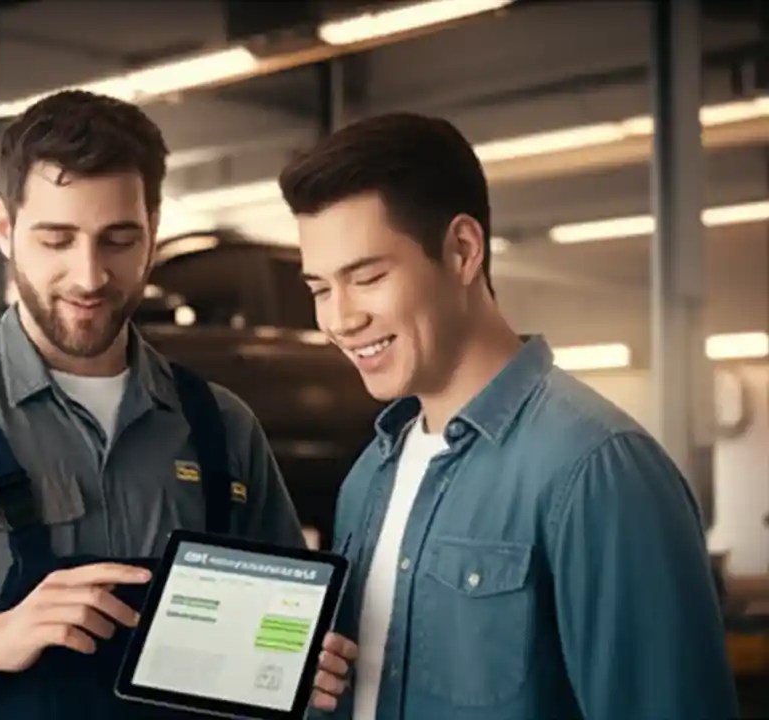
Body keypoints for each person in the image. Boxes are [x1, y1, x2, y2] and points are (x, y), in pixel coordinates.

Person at [0, 90, 356, 719]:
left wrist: (300, 662)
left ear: (153, 229)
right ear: (4, 227)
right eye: (57, 240)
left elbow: (284, 646)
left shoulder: (222, 428)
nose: (89, 276)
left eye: (118, 240)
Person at [278, 112, 739, 720]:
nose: (340, 319)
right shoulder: (369, 479)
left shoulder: (597, 470)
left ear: (462, 251)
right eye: (320, 289)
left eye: (367, 278)